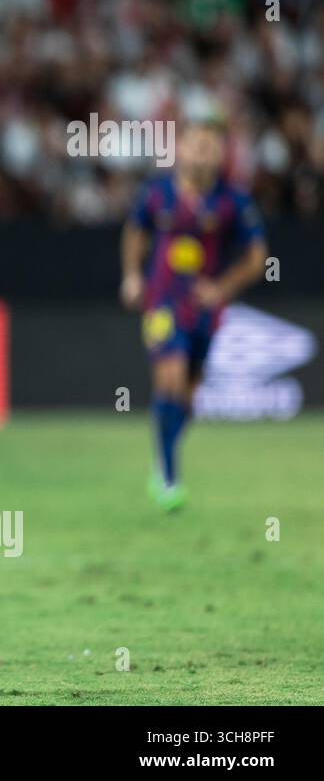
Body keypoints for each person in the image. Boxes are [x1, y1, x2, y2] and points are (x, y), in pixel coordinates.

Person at [120, 117, 268, 511]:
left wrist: (222, 287)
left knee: (188, 396)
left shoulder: (233, 201)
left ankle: (161, 457)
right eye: (196, 143)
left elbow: (257, 258)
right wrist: (133, 276)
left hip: (204, 309)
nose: (203, 151)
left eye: (211, 145)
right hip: (162, 301)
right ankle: (170, 477)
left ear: (221, 154)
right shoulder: (156, 194)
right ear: (180, 148)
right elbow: (135, 234)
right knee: (169, 375)